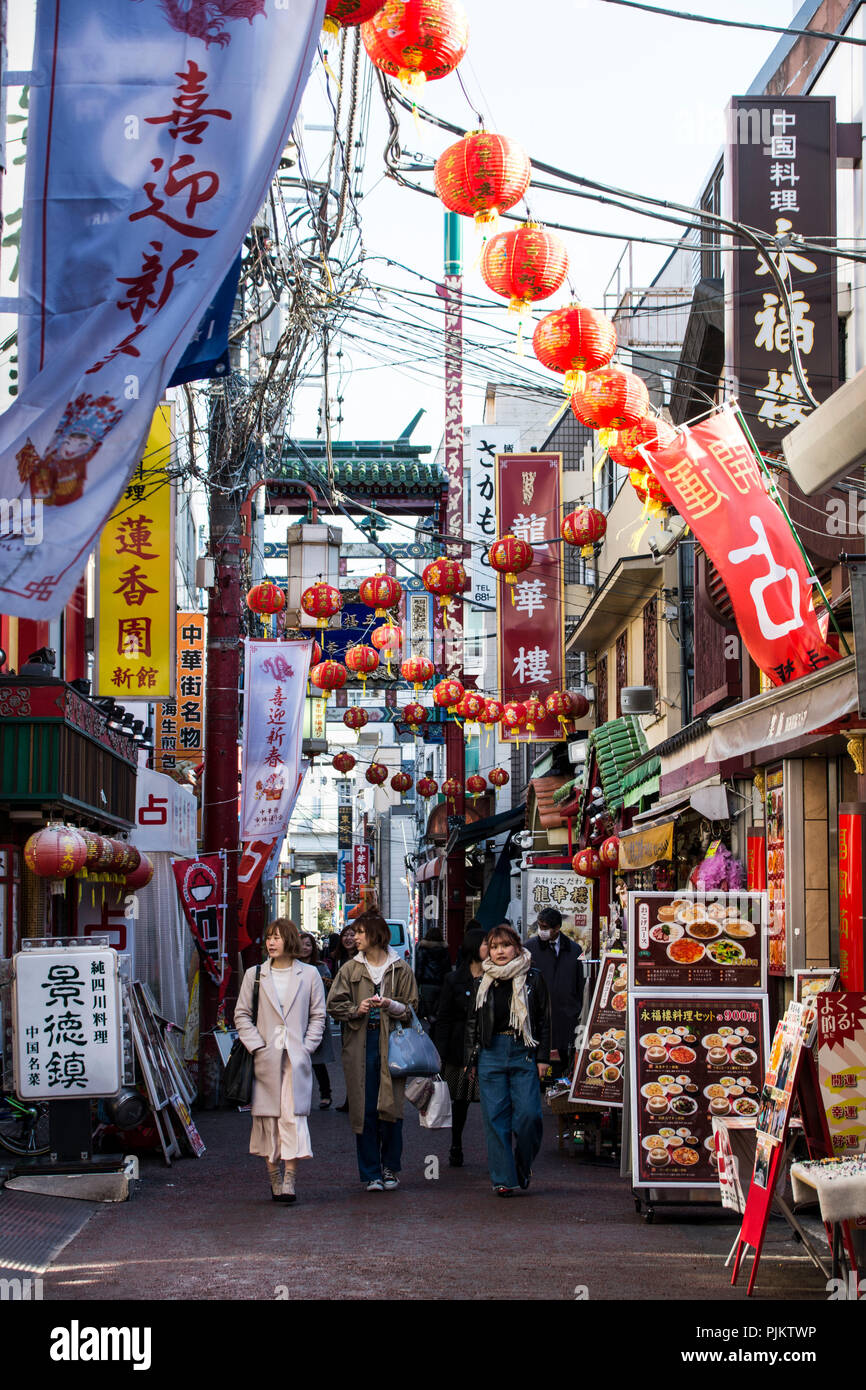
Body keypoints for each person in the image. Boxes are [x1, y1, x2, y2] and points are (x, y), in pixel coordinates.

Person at [233, 917, 326, 1205]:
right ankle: (274, 1175)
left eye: (277, 937)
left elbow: (318, 1015)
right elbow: (241, 1014)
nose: (271, 943)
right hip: (265, 1058)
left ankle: (290, 1179)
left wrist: (307, 1047)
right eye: (268, 937)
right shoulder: (255, 975)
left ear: (290, 940)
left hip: (295, 1059)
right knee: (267, 1118)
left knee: (293, 1116)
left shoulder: (309, 975)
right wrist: (257, 1047)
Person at [326, 909, 418, 1192]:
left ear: (375, 936)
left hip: (393, 1044)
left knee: (390, 1107)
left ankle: (390, 1167)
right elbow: (334, 1005)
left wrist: (390, 1005)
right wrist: (357, 1008)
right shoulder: (350, 969)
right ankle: (371, 1173)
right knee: (363, 1109)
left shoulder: (400, 968)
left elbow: (413, 1007)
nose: (355, 937)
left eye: (361, 933)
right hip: (360, 1043)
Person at [465, 924, 551, 1197]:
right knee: (495, 1119)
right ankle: (503, 1178)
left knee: (529, 1116)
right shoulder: (482, 982)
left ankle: (522, 1167)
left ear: (517, 947)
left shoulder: (533, 978)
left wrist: (543, 1057)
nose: (500, 951)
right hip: (490, 1051)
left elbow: (544, 1021)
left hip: (523, 1048)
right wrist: (471, 1060)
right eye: (494, 946)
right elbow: (472, 1024)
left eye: (505, 945)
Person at [433, 926, 485, 1167]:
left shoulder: (498, 978)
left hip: (488, 1046)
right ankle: (456, 1143)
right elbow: (443, 1017)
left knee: (493, 1101)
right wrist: (440, 1053)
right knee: (461, 1100)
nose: (491, 949)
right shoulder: (453, 979)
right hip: (459, 1048)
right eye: (487, 944)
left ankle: (498, 1151)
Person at [525, 906, 584, 1078]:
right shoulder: (529, 949)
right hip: (538, 1013)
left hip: (566, 1012)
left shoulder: (574, 949)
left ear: (557, 928)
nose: (541, 931)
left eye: (545, 928)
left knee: (566, 1059)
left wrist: (577, 1007)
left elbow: (579, 982)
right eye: (539, 927)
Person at [298, 932, 334, 1109]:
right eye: (301, 944)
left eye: (308, 945)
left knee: (318, 1061)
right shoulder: (290, 966)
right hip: (296, 1019)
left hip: (315, 1018)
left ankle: (325, 1093)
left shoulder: (321, 968)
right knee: (296, 1060)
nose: (305, 948)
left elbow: (327, 994)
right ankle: (299, 1095)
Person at [414, 924, 451, 1022]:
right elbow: (447, 968)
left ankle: (429, 1032)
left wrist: (416, 982)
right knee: (438, 1011)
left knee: (428, 1011)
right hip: (440, 984)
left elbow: (420, 967)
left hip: (427, 983)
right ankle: (435, 1032)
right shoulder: (444, 950)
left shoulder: (423, 948)